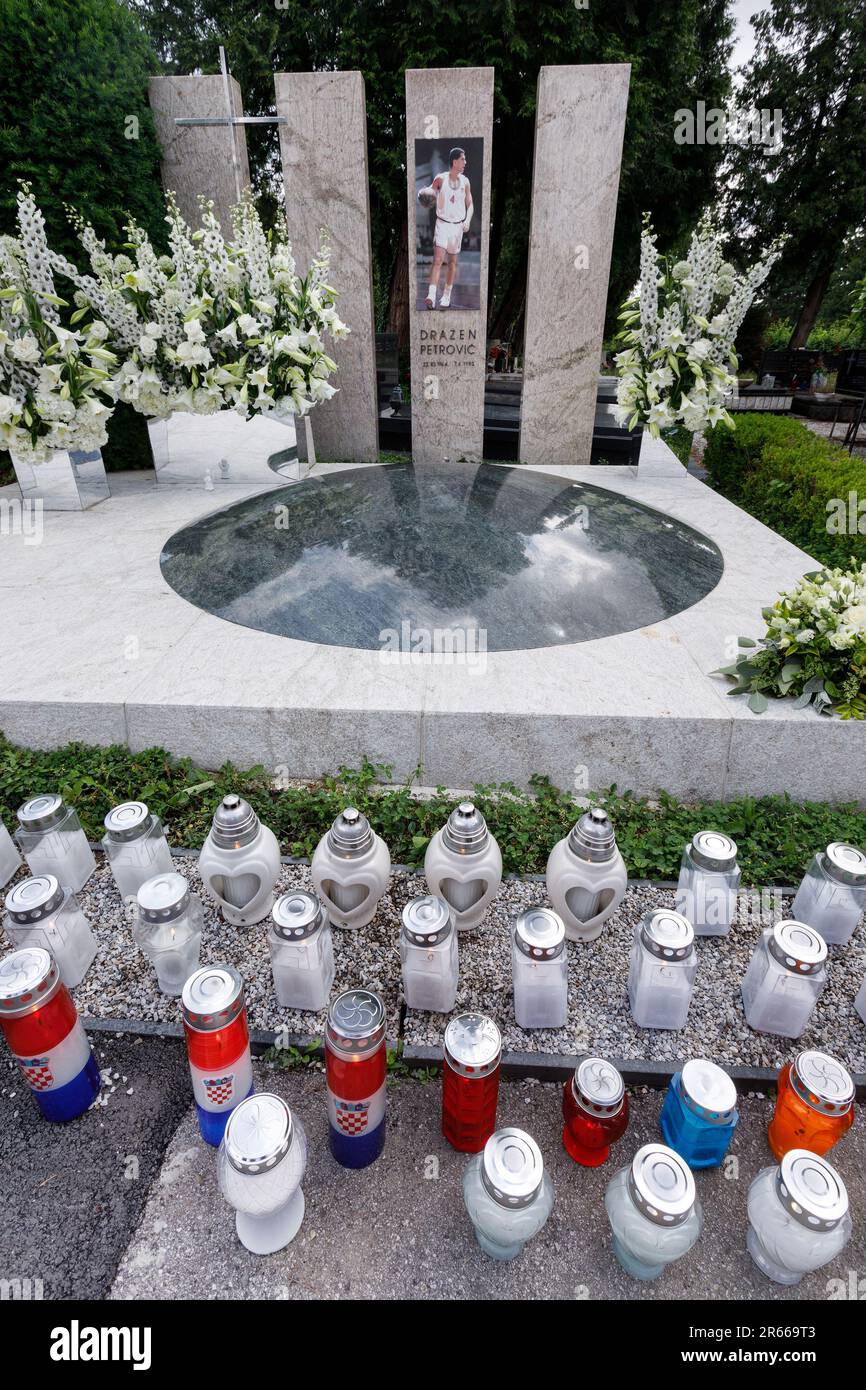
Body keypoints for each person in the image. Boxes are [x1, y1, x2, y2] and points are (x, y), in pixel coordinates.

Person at [418, 147, 473, 310]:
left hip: (457, 227)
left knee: (452, 263)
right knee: (437, 260)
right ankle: (431, 295)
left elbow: (470, 205)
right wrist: (423, 194)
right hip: (442, 224)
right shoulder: (440, 179)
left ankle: (447, 295)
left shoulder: (466, 182)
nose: (465, 162)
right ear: (454, 161)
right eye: (462, 159)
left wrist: (468, 220)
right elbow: (429, 192)